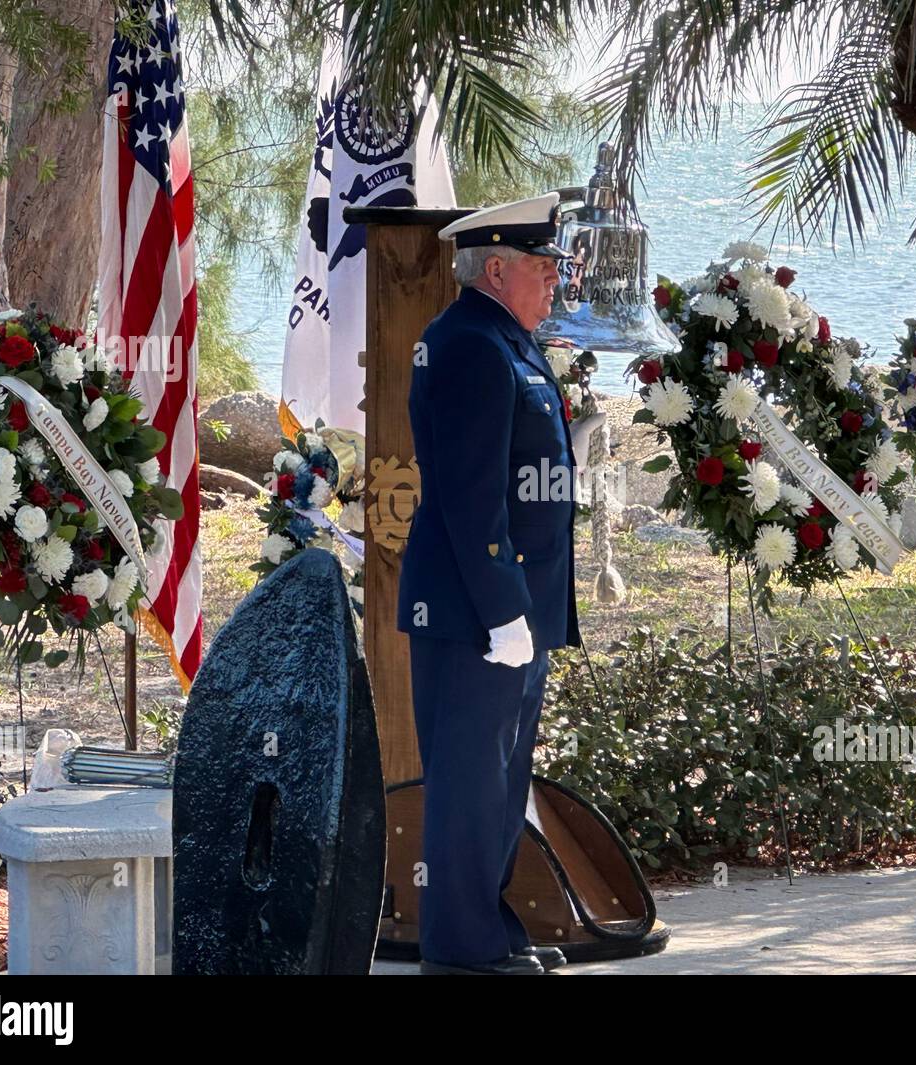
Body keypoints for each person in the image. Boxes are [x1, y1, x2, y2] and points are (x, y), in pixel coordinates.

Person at [396, 191, 582, 975]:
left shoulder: (504, 337)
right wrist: (505, 610)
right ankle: (461, 947)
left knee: (501, 779)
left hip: (514, 608)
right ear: (497, 268)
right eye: (544, 268)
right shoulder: (472, 343)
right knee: (471, 781)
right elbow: (473, 493)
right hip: (479, 609)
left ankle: (489, 925)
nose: (555, 282)